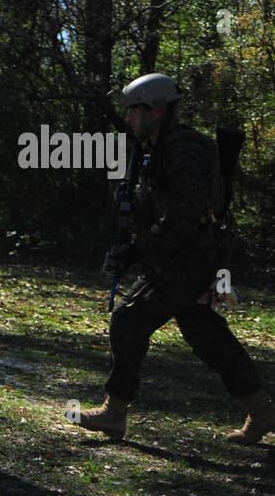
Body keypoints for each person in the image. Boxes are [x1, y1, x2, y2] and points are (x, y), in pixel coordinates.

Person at [75, 73, 275, 443]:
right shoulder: (154, 147)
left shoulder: (183, 147)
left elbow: (185, 213)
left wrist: (139, 248)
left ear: (158, 109)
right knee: (205, 333)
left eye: (135, 111)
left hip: (189, 257)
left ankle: (114, 412)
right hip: (180, 255)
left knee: (128, 321)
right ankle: (262, 412)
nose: (130, 119)